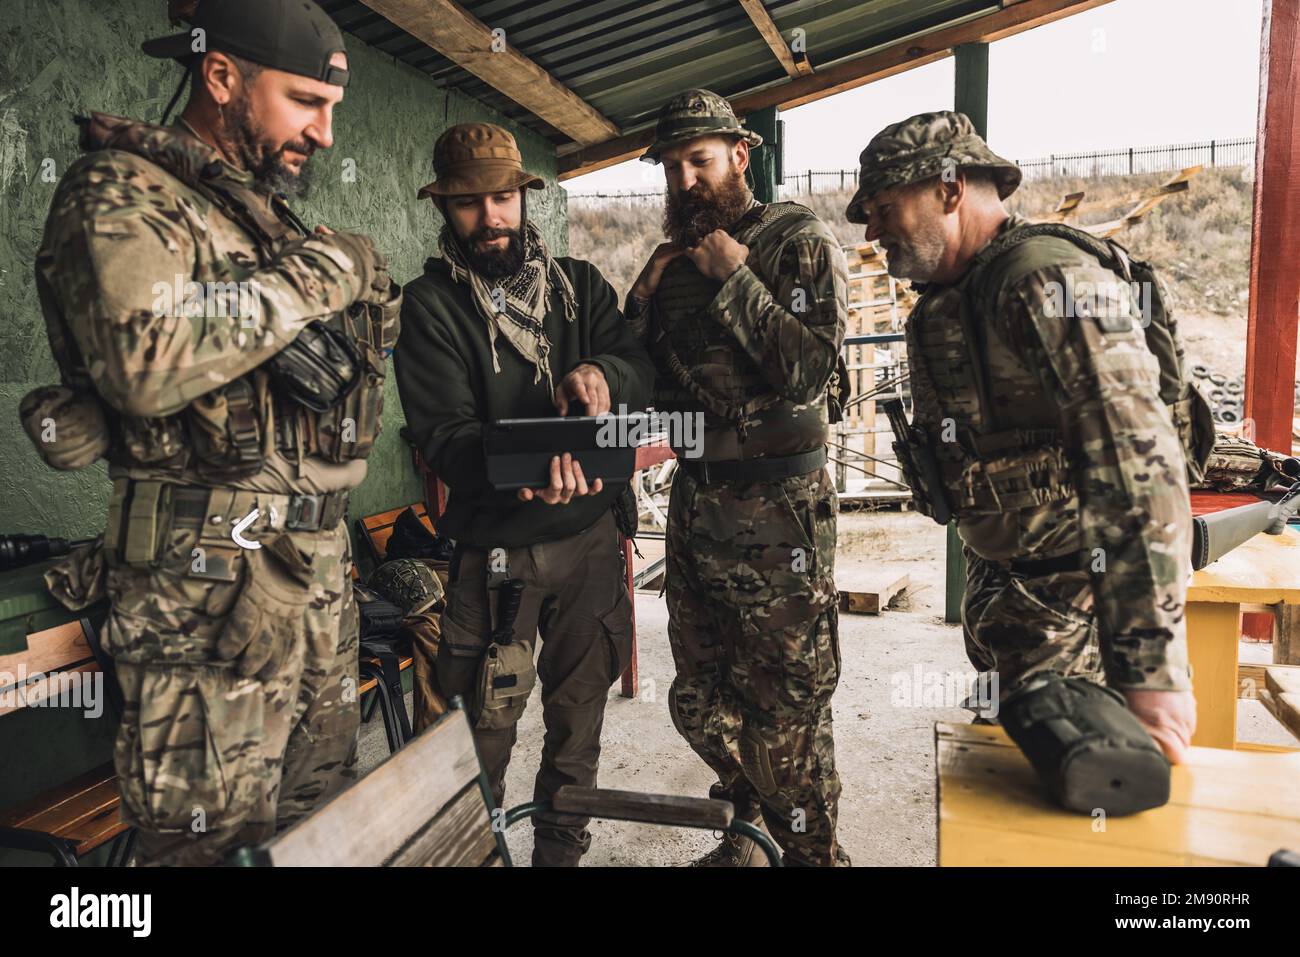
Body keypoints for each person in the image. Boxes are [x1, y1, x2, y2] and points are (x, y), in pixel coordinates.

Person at [28, 0, 397, 865]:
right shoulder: (120, 192)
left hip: (315, 586)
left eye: (332, 108)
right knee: (204, 847)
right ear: (222, 76)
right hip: (202, 605)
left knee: (321, 831)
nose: (327, 134)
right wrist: (322, 272)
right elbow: (145, 360)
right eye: (307, 101)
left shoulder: (263, 216)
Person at [845, 111, 1197, 762]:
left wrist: (1151, 668)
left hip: (1082, 616)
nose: (871, 231)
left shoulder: (1044, 277)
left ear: (950, 190)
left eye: (883, 206)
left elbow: (1141, 468)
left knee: (1092, 814)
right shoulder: (952, 295)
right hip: (1015, 601)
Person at [394, 122, 654, 866]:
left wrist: (603, 372)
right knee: (478, 729)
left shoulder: (582, 288)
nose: (492, 216)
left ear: (523, 197)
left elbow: (640, 371)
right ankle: (469, 854)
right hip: (495, 556)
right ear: (444, 206)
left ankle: (559, 857)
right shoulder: (431, 306)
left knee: (579, 723)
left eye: (503, 197)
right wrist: (528, 468)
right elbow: (446, 437)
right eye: (471, 203)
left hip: (594, 545)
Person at [627, 90, 850, 866]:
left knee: (787, 705)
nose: (686, 179)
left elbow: (811, 370)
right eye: (673, 166)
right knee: (701, 695)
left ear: (740, 156)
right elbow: (640, 383)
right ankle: (747, 834)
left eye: (702, 160)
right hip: (698, 503)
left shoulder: (796, 239)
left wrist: (735, 279)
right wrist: (646, 294)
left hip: (779, 508)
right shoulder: (671, 262)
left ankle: (812, 854)